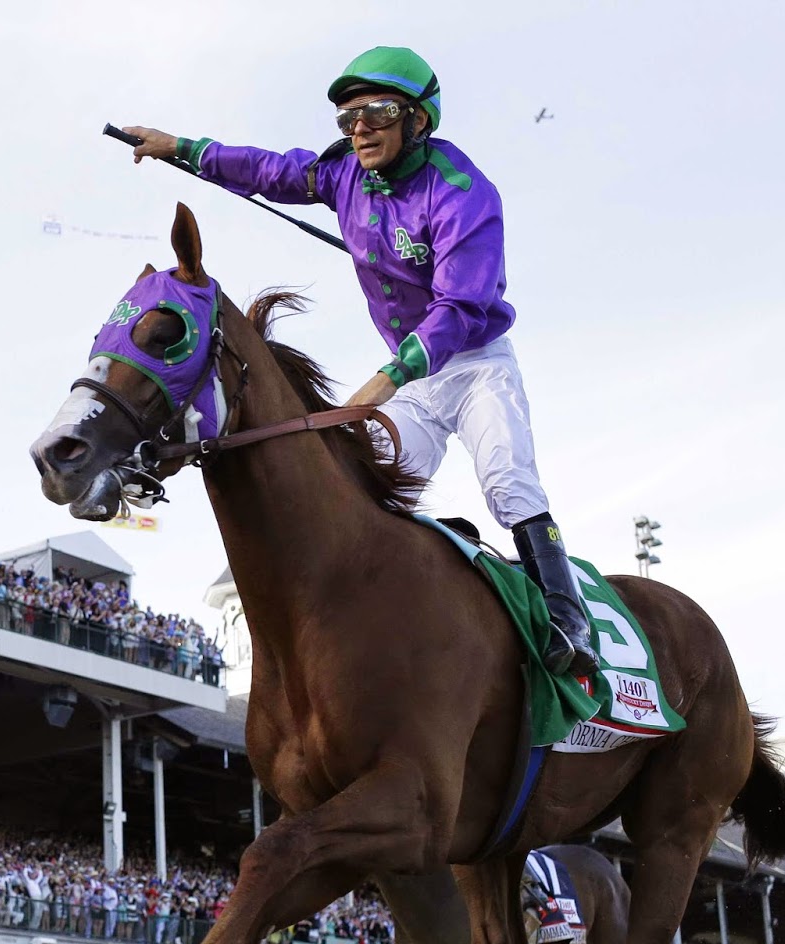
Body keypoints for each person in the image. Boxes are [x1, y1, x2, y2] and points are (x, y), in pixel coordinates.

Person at [124, 45, 596, 675]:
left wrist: (385, 380)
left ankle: (570, 619)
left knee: (508, 482)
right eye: (347, 119)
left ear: (417, 120)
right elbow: (269, 170)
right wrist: (178, 146)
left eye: (374, 113)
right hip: (415, 378)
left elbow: (458, 309)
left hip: (475, 364)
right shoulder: (344, 172)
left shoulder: (465, 194)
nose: (359, 130)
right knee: (367, 491)